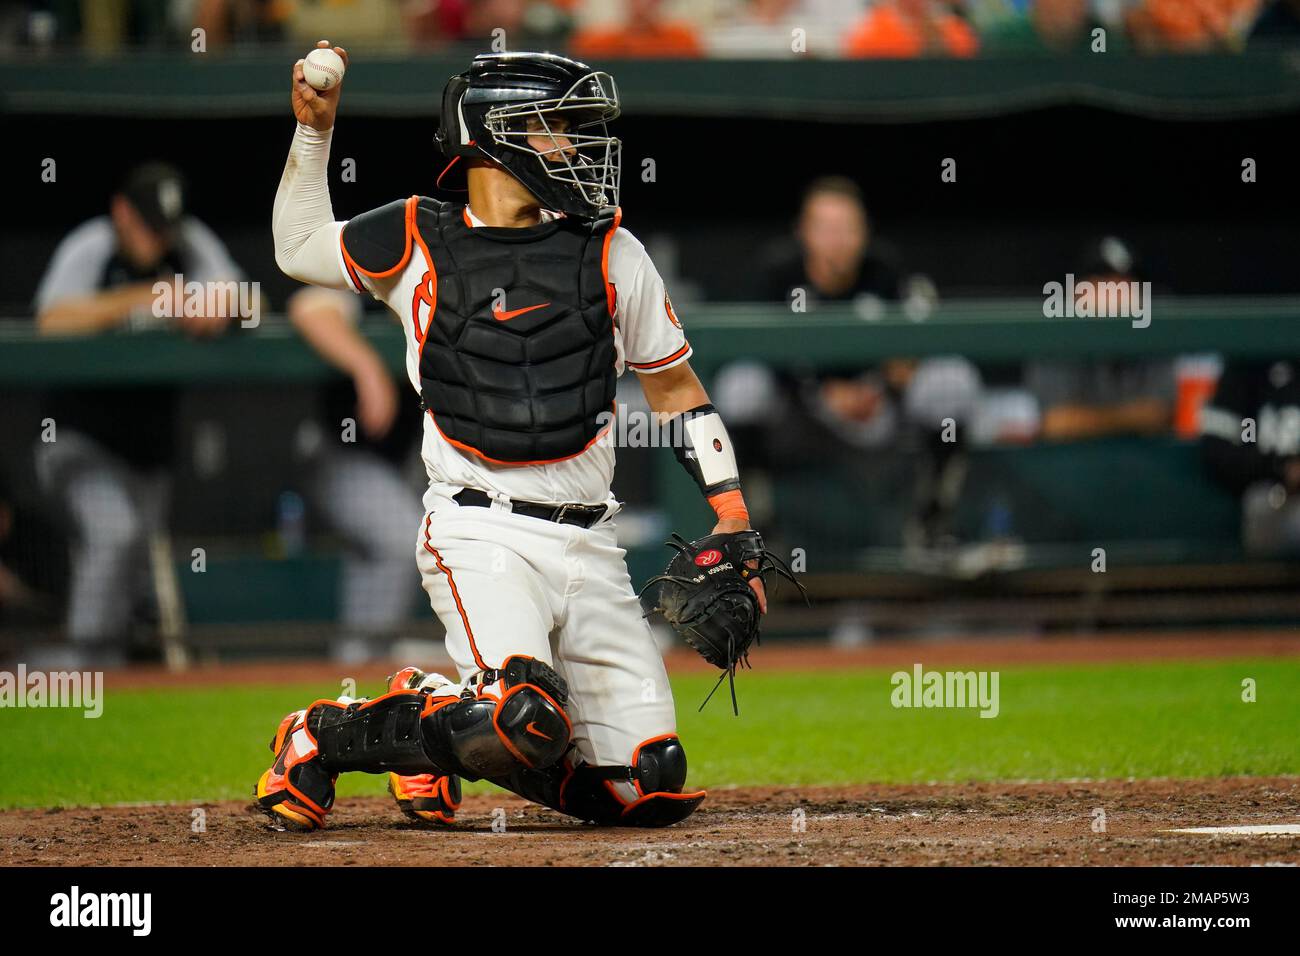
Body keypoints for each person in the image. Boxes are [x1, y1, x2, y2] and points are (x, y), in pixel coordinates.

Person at [258, 45, 767, 830]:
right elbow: (296, 249)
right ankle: (320, 736)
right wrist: (313, 133)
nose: (578, 147)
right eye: (558, 127)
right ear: (497, 136)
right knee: (522, 717)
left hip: (591, 544)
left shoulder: (612, 248)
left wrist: (731, 516)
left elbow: (677, 394)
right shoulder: (415, 235)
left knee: (647, 784)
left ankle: (429, 722)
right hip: (478, 525)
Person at [32, 162, 245, 667]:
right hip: (77, 441)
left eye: (164, 225)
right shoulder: (94, 244)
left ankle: (96, 683)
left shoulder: (187, 241)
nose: (158, 236)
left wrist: (208, 306)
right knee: (114, 534)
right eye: (148, 223)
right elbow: (50, 319)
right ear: (122, 212)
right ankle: (78, 675)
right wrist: (143, 297)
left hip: (148, 454)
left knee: (132, 577)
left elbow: (240, 297)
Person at [285, 287, 425, 662]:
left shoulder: (430, 286)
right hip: (338, 452)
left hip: (402, 463)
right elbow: (307, 308)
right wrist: (368, 368)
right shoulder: (369, 279)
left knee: (374, 555)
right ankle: (363, 662)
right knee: (400, 539)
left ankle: (353, 668)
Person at [1201, 358, 1300, 556]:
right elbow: (1216, 451)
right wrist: (1279, 467)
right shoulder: (1245, 369)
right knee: (1262, 506)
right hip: (1269, 493)